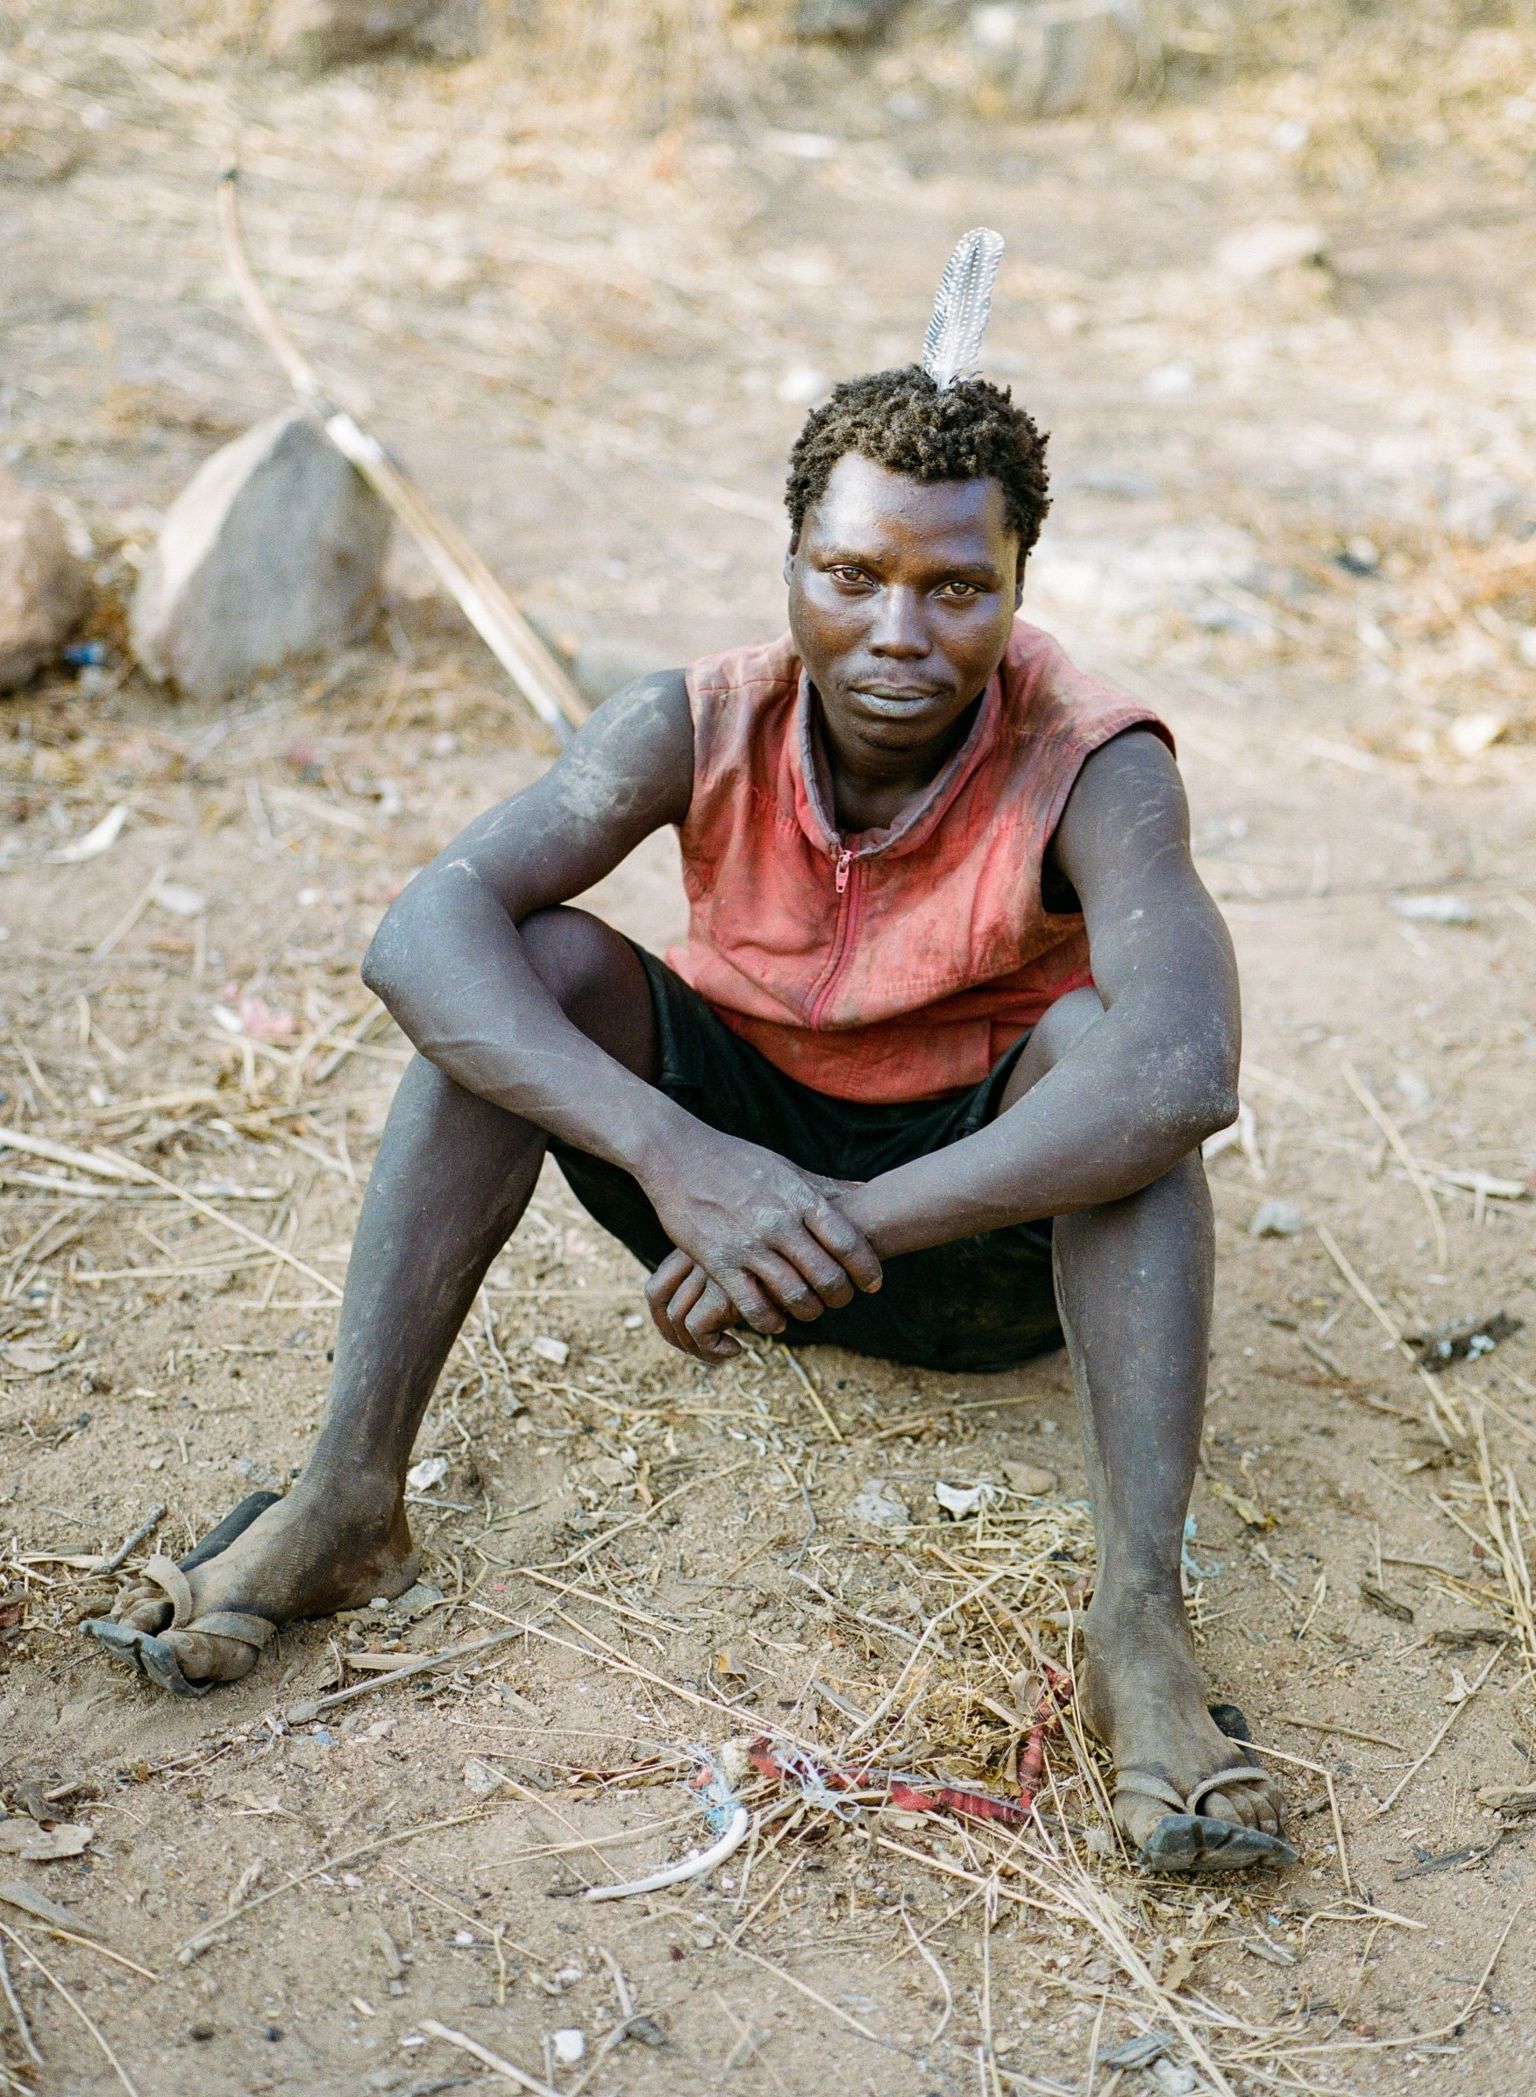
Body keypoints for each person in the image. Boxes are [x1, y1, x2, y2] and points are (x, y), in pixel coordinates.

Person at [87, 254, 1292, 1874]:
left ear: (1021, 586)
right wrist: (686, 1161)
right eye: (851, 574)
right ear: (789, 562)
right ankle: (349, 1496)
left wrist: (838, 1224)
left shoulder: (1094, 758)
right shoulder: (695, 719)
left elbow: (1187, 1065)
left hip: (990, 1246)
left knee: (1107, 1061)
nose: (898, 634)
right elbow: (420, 929)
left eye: (956, 587)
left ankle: (1139, 1617)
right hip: (727, 1200)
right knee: (530, 971)